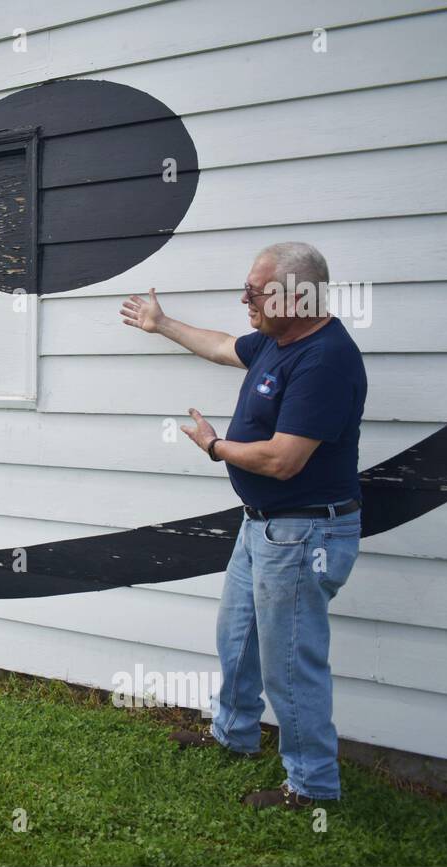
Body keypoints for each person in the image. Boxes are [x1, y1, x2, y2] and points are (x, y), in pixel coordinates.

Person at [120, 242, 366, 810]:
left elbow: (283, 460)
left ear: (296, 294)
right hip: (265, 526)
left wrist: (215, 447)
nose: (245, 300)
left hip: (304, 535)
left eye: (255, 292)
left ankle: (312, 787)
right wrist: (161, 324)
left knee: (289, 663)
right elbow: (223, 347)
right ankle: (234, 735)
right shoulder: (279, 342)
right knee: (238, 639)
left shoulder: (325, 359)